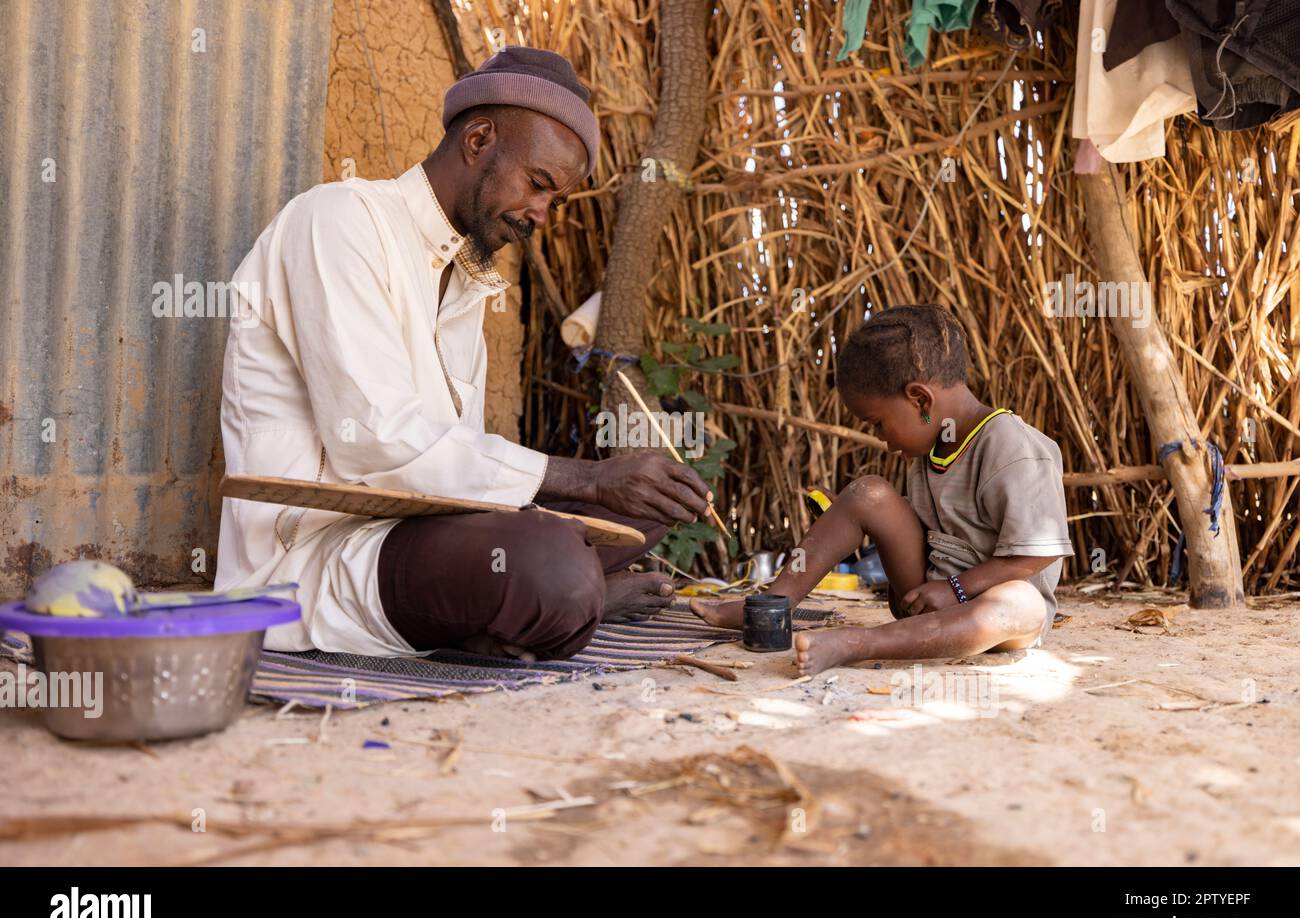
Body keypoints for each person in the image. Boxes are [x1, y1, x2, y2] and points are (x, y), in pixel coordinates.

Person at [216, 47, 711, 659]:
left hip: (421, 536)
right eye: (538, 185)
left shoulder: (468, 282)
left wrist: (600, 489)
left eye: (554, 201)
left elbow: (453, 479)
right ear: (479, 139)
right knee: (549, 561)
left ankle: (553, 600)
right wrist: (584, 476)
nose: (540, 216)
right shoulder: (339, 219)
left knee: (648, 506)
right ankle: (573, 596)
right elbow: (373, 440)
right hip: (313, 557)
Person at [690, 304, 1073, 674]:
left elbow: (1034, 556)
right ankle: (773, 606)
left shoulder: (1015, 449)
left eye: (877, 423)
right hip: (927, 596)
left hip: (994, 606)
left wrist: (956, 589)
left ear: (920, 399)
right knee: (867, 492)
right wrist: (846, 519)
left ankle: (858, 643)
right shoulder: (933, 441)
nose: (882, 440)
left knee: (1019, 604)